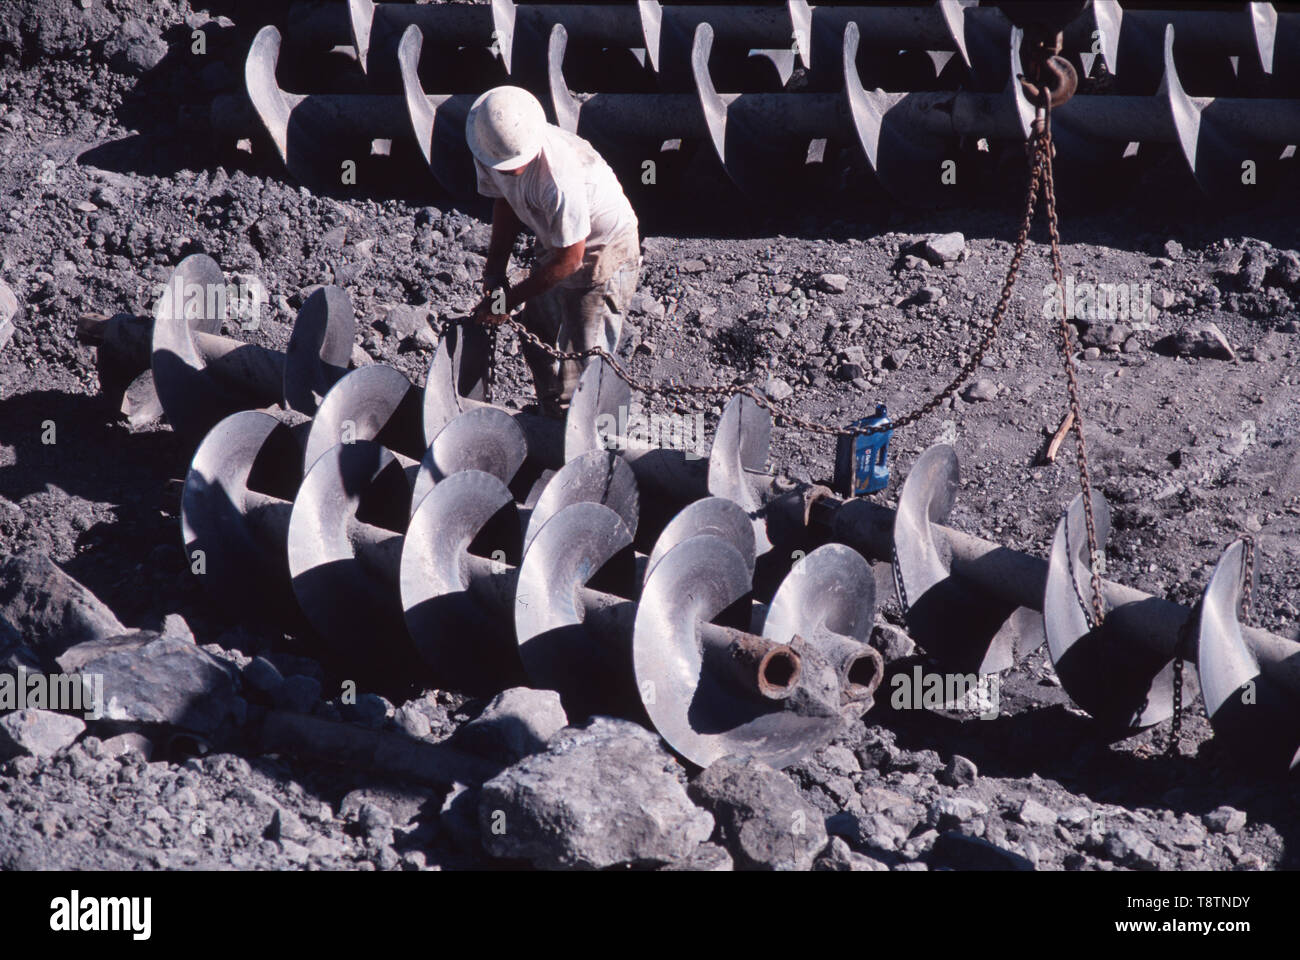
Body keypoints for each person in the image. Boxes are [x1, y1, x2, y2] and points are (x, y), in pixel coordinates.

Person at [466, 85, 641, 417]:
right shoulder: (489, 145)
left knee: (585, 354)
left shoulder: (559, 178)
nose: (510, 171)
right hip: (557, 240)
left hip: (601, 247)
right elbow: (504, 201)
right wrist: (495, 272)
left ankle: (593, 432)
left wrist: (509, 300)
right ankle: (555, 415)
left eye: (516, 164)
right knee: (537, 333)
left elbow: (572, 259)